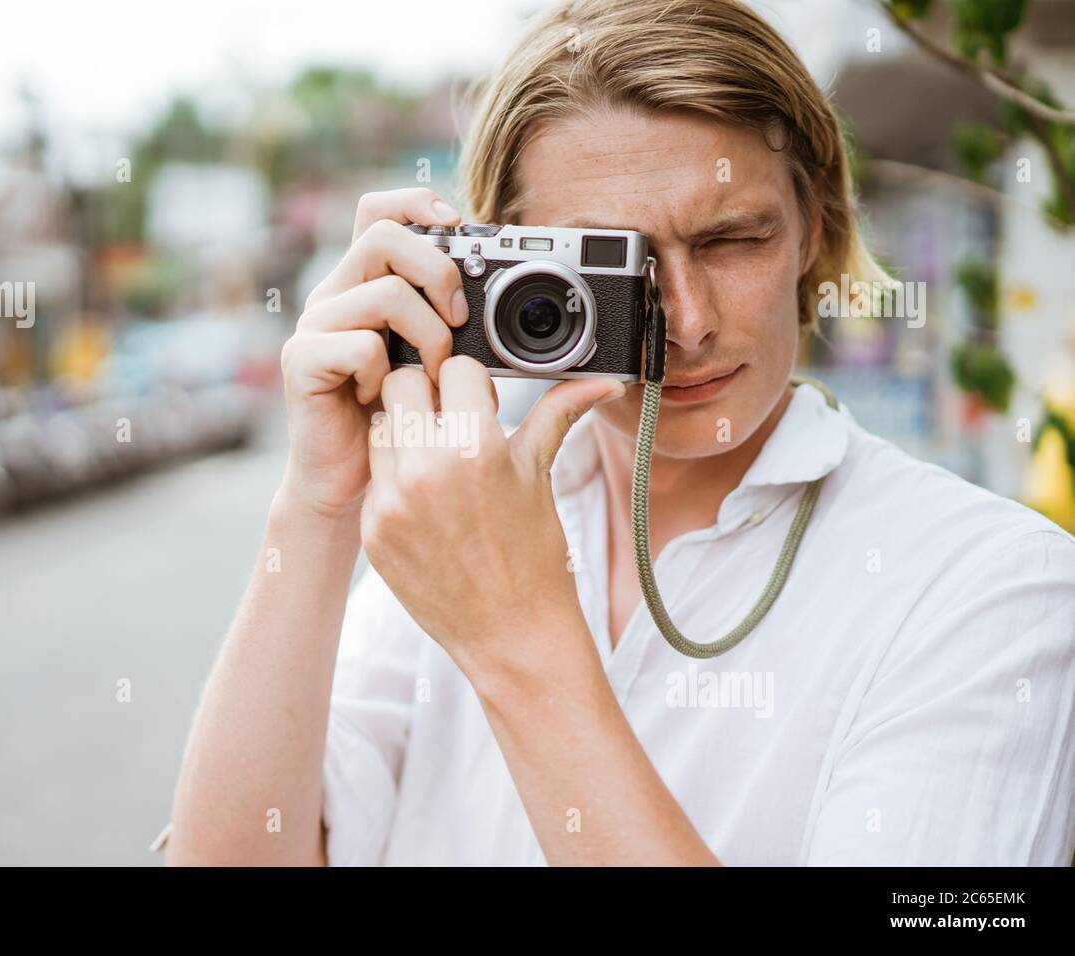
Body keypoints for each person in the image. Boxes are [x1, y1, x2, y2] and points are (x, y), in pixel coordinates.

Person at [166, 0, 1075, 865]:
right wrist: (318, 504)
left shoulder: (994, 588)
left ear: (815, 230)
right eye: (609, 268)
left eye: (730, 240)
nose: (682, 321)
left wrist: (514, 636)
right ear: (494, 278)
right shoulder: (455, 528)